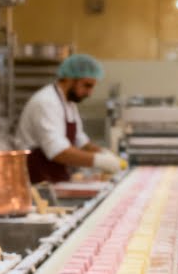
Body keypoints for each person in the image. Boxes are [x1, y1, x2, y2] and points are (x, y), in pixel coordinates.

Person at [15, 53, 123, 183]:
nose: (89, 93)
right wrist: (100, 160)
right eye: (87, 85)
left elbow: (80, 140)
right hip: (35, 180)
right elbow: (58, 152)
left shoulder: (68, 102)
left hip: (53, 178)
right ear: (70, 78)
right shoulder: (46, 102)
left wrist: (103, 152)